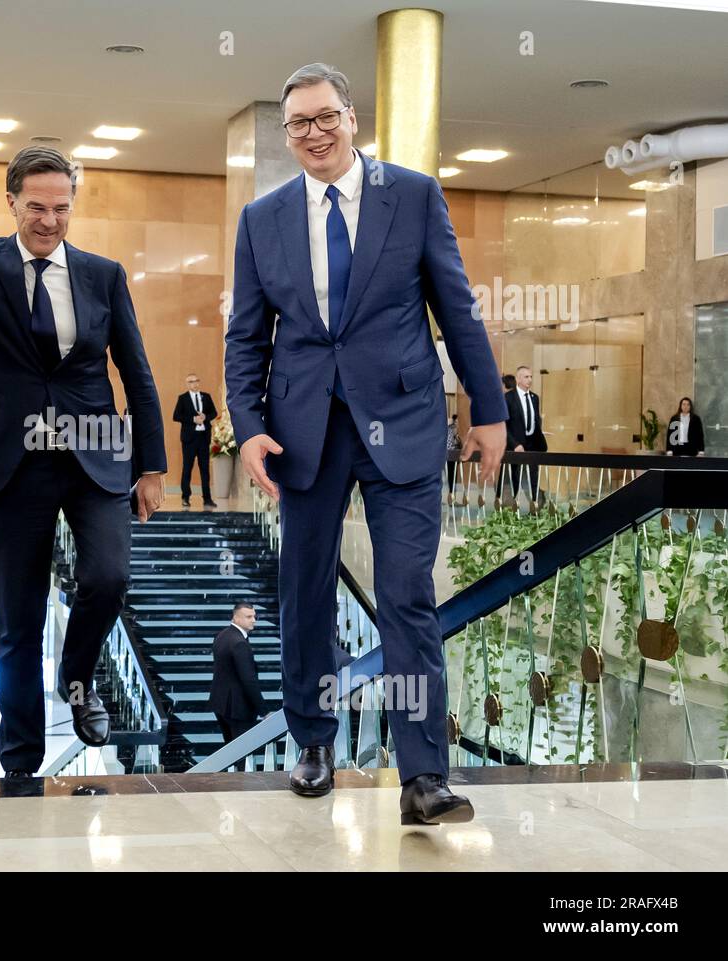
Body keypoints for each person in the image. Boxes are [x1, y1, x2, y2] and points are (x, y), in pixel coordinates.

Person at [224, 63, 506, 826]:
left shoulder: (410, 195)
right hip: (303, 436)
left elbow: (458, 306)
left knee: (407, 592)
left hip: (405, 429)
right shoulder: (264, 218)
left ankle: (424, 778)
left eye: (326, 118)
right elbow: (245, 337)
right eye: (299, 124)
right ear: (288, 135)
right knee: (304, 593)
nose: (313, 133)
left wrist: (489, 407)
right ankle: (313, 742)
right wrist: (247, 428)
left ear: (353, 118)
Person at [0, 146, 166, 777]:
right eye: (36, 207)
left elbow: (135, 371)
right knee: (16, 614)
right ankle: (21, 757)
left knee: (108, 576)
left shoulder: (102, 274)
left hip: (96, 453)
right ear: (11, 203)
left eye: (61, 208)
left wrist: (153, 466)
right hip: (13, 456)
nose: (49, 220)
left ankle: (76, 677)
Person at [208, 603, 267, 744]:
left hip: (221, 704)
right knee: (241, 753)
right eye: (249, 616)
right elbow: (248, 679)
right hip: (237, 708)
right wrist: (264, 711)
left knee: (230, 749)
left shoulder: (222, 635)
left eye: (254, 616)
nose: (254, 620)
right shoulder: (239, 643)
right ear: (236, 618)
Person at [173, 374, 219, 508]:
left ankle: (207, 498)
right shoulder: (183, 399)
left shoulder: (206, 396)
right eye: (191, 382)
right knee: (187, 468)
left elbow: (214, 413)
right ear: (187, 384)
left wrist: (205, 417)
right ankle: (185, 497)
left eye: (196, 381)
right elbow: (176, 416)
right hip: (189, 439)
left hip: (203, 438)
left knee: (205, 469)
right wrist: (192, 419)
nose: (194, 384)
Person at [502, 365, 546, 502]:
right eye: (526, 377)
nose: (530, 380)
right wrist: (515, 445)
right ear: (518, 379)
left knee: (533, 477)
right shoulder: (508, 398)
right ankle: (510, 511)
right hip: (515, 446)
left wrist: (538, 432)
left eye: (531, 376)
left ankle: (536, 508)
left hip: (533, 445)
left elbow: (535, 418)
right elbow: (503, 425)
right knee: (513, 479)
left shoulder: (535, 398)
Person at [445, 413, 461, 495]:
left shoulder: (457, 433)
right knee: (451, 477)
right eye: (457, 422)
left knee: (453, 477)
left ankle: (452, 496)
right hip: (449, 457)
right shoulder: (449, 429)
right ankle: (451, 495)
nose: (458, 424)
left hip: (455, 457)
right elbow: (448, 445)